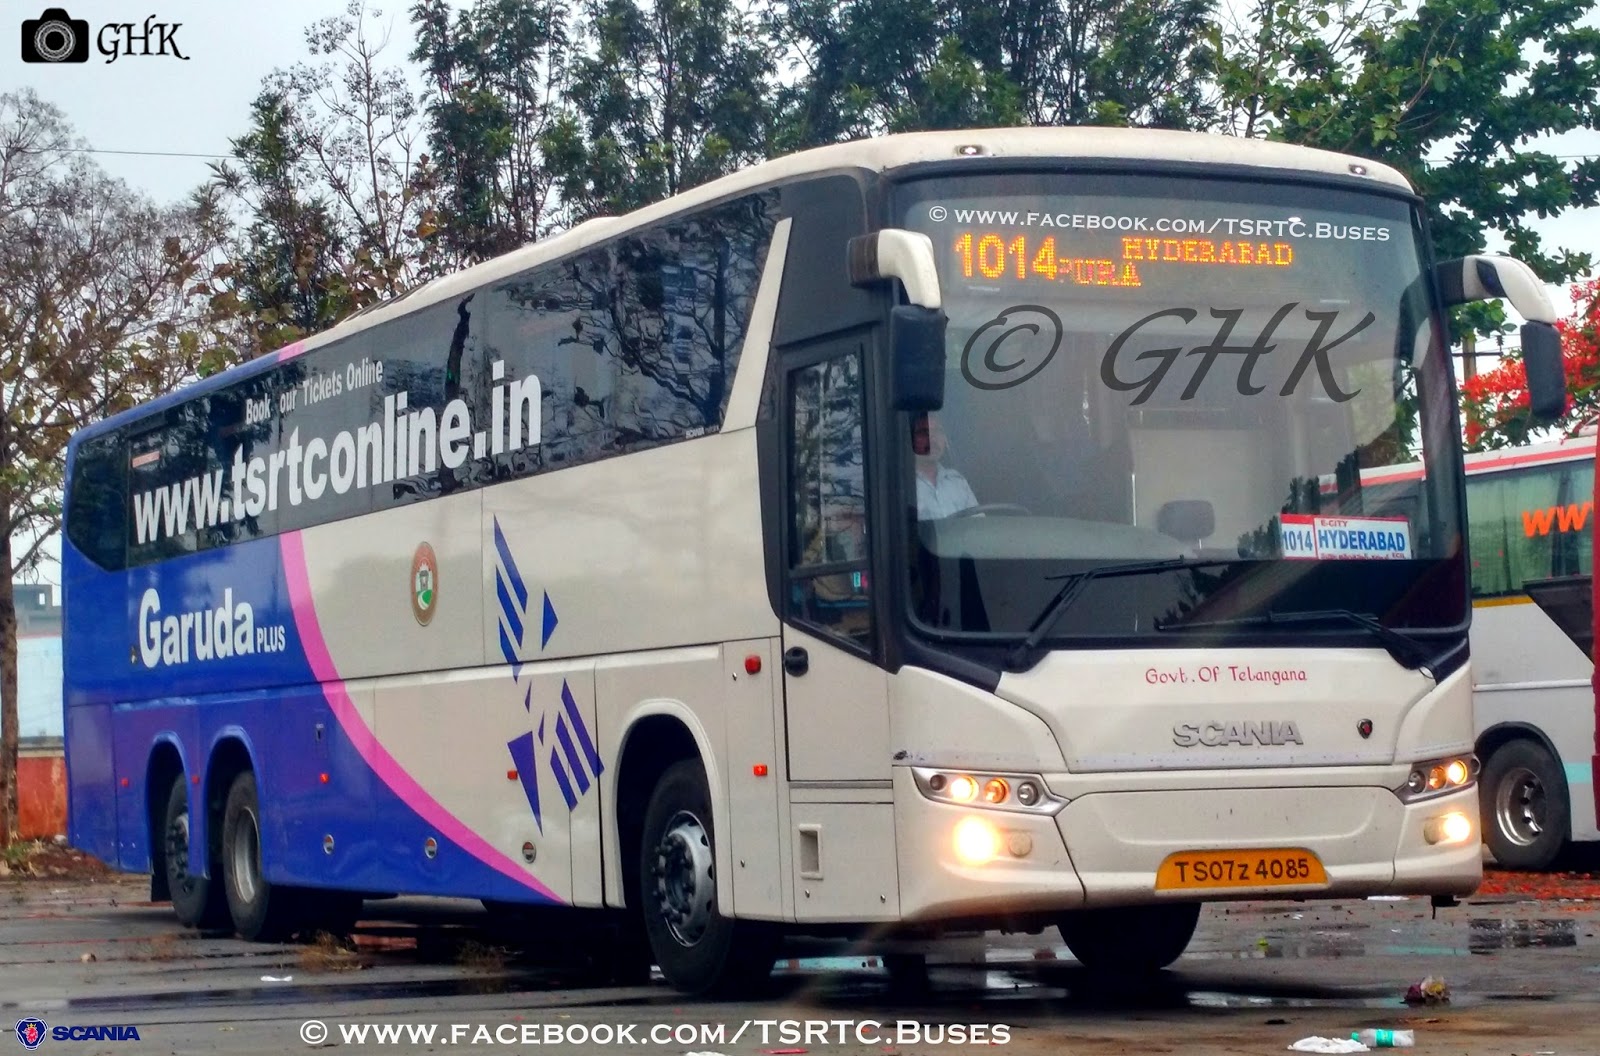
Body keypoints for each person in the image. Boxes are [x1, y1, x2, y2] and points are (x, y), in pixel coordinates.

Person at [911, 412, 979, 519]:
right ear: (911, 440)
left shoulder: (958, 482)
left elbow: (978, 526)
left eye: (938, 431)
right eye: (924, 433)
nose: (932, 439)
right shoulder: (903, 486)